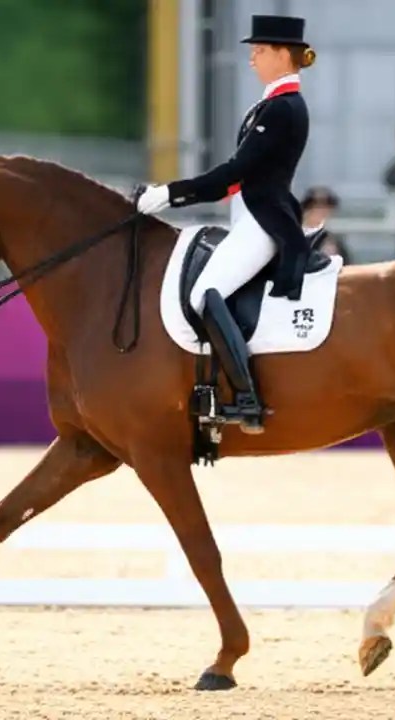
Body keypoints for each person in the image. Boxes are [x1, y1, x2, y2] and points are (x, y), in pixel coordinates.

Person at [136, 14, 316, 434]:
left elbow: (236, 170)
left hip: (264, 220)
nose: (252, 59)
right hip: (249, 215)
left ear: (281, 54)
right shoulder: (272, 105)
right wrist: (174, 195)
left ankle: (246, 398)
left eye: (259, 51)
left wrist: (169, 194)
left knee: (204, 294)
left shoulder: (285, 108)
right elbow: (233, 178)